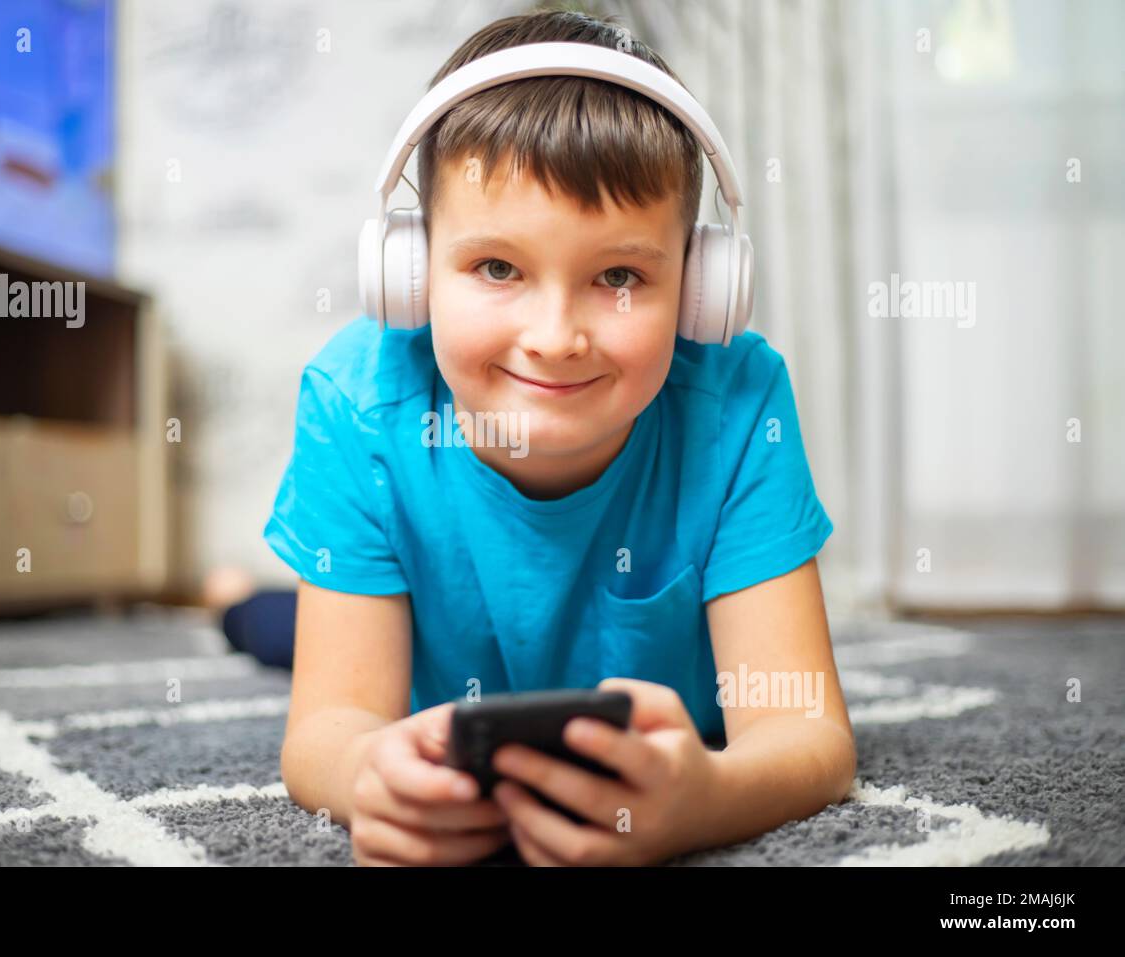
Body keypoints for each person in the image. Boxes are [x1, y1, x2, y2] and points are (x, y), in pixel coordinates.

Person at [262, 8, 856, 866]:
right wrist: (365, 771)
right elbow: (325, 729)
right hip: (407, 625)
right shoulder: (357, 407)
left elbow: (809, 735)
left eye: (619, 276)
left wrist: (710, 798)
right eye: (497, 267)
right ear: (408, 271)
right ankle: (231, 601)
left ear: (702, 287)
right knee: (270, 627)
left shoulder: (738, 402)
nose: (555, 335)